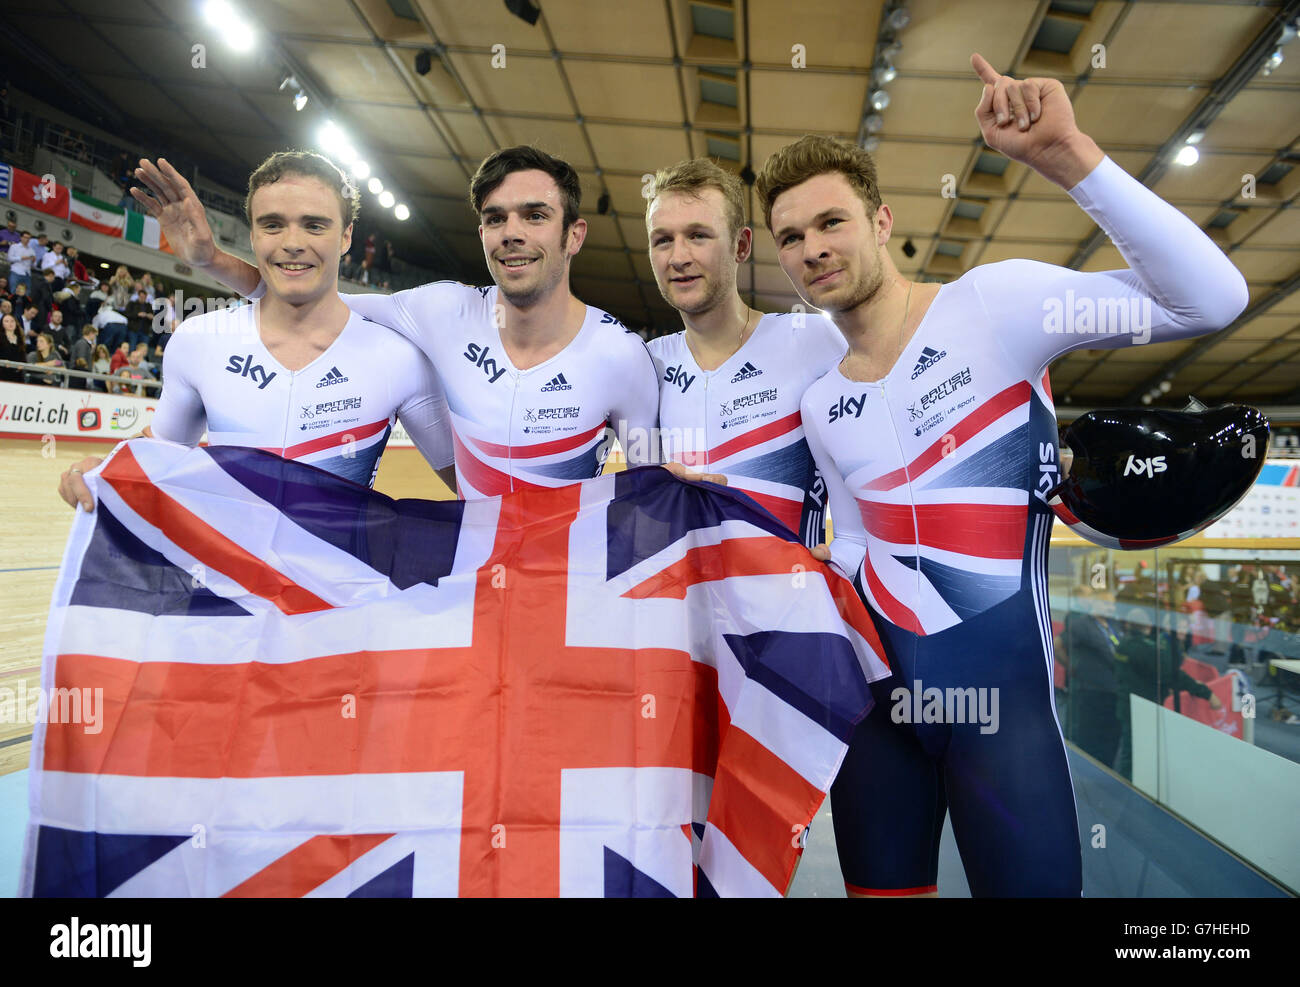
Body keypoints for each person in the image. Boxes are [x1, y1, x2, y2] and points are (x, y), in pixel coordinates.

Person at [755, 52, 1249, 897]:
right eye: (791, 237)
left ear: (879, 220)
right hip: (878, 719)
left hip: (1004, 720)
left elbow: (1212, 300)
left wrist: (1069, 159)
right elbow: (856, 543)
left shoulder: (995, 306)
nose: (812, 250)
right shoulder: (821, 399)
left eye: (829, 223)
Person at [127, 147, 664, 500]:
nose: (511, 232)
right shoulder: (438, 310)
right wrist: (210, 260)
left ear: (574, 235)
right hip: (474, 582)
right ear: (481, 233)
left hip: (569, 586)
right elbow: (309, 291)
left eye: (535, 215)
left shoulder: (621, 355)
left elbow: (652, 493)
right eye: (495, 218)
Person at [58, 151, 458, 509]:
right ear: (252, 235)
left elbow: (472, 488)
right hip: (229, 584)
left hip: (339, 587)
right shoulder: (198, 341)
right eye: (272, 225)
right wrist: (106, 468)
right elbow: (161, 454)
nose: (292, 243)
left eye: (315, 225)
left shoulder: (400, 358)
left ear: (346, 236)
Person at [643, 158, 845, 546]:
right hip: (684, 603)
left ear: (741, 245)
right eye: (662, 239)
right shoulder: (645, 364)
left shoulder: (814, 340)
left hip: (789, 599)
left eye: (698, 235)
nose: (678, 257)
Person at [0, 312, 26, 381]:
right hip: (3, 374)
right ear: (2, 324)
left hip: (18, 375)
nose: (10, 323)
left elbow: (23, 356)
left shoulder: (20, 338)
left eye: (12, 321)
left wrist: (22, 364)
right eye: (6, 321)